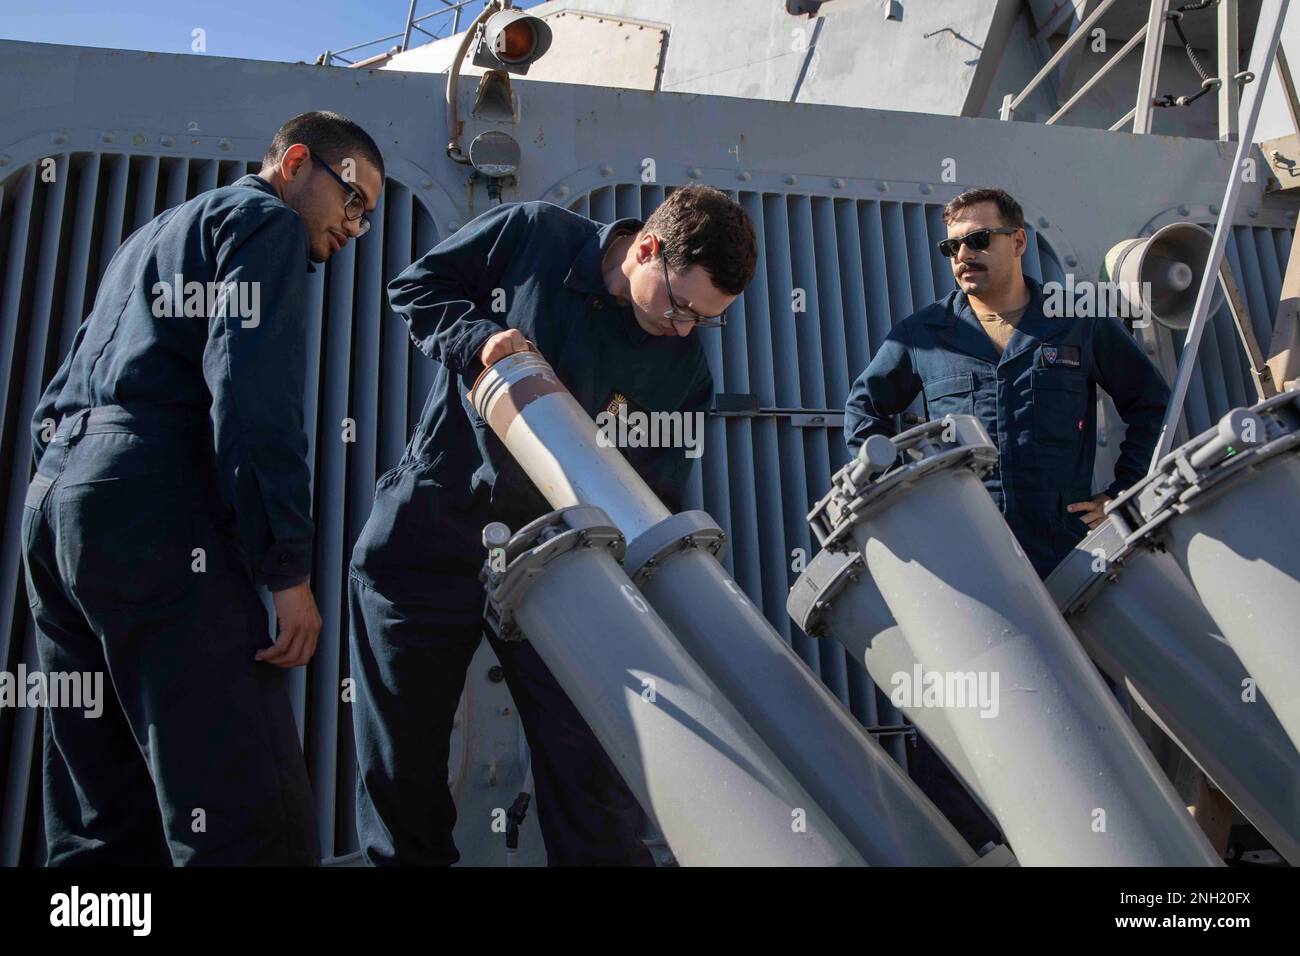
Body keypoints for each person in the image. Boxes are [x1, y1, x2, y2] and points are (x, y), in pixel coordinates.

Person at [349, 185, 757, 866]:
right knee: (403, 767)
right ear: (646, 249)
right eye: (682, 306)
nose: (686, 329)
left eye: (706, 320)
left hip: (563, 567)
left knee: (592, 772)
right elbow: (416, 287)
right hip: (433, 532)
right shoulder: (534, 233)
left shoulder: (684, 372)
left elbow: (651, 497)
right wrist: (479, 340)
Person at [22, 110, 384, 865]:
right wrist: (287, 571)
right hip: (155, 506)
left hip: (62, 505)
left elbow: (63, 387)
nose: (358, 227)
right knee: (242, 806)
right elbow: (254, 405)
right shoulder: (266, 224)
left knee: (98, 813)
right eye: (354, 201)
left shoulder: (152, 235)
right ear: (295, 163)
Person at [843, 186, 1170, 851]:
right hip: (962, 556)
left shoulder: (1077, 321)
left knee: (1085, 703)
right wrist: (902, 498)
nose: (963, 255)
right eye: (952, 245)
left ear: (1018, 241)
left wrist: (1124, 493)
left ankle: (1104, 847)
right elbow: (863, 413)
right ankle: (966, 851)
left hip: (1061, 549)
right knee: (963, 713)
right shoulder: (922, 335)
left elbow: (1148, 400)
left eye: (978, 240)